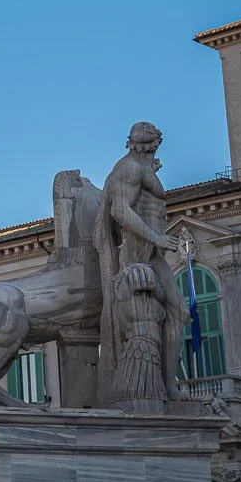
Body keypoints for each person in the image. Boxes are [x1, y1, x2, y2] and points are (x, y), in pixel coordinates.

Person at [94, 123, 186, 403]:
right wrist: (158, 238)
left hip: (152, 255)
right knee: (142, 324)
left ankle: (169, 386)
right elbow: (120, 210)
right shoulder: (129, 169)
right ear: (151, 144)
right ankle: (141, 388)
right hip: (136, 256)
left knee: (179, 313)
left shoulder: (141, 169)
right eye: (153, 146)